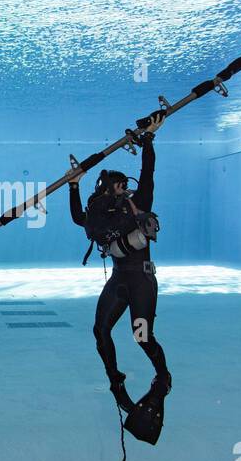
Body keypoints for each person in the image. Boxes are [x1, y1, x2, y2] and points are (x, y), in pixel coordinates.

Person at [69, 115, 171, 431]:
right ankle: (116, 381)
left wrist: (149, 141)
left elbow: (148, 174)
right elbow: (78, 218)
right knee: (100, 331)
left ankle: (163, 376)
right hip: (119, 279)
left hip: (140, 279)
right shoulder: (100, 214)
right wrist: (73, 184)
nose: (111, 190)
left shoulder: (137, 204)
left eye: (112, 185)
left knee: (142, 337)